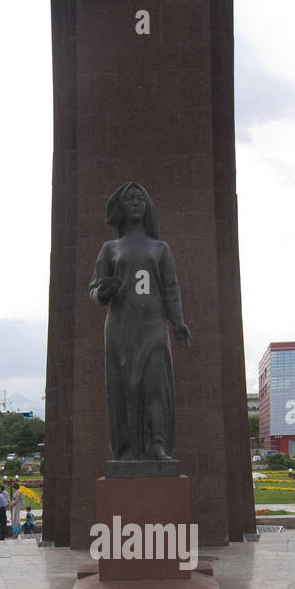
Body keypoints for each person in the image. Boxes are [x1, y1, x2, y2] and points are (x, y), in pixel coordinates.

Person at [89, 182, 190, 462]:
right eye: (130, 198)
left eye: (140, 198)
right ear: (120, 207)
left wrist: (178, 323)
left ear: (147, 208)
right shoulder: (110, 249)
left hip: (153, 329)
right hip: (120, 329)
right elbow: (94, 291)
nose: (135, 202)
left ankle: (158, 445)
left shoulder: (160, 249)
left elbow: (171, 288)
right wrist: (103, 291)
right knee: (122, 389)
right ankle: (126, 450)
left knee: (155, 386)